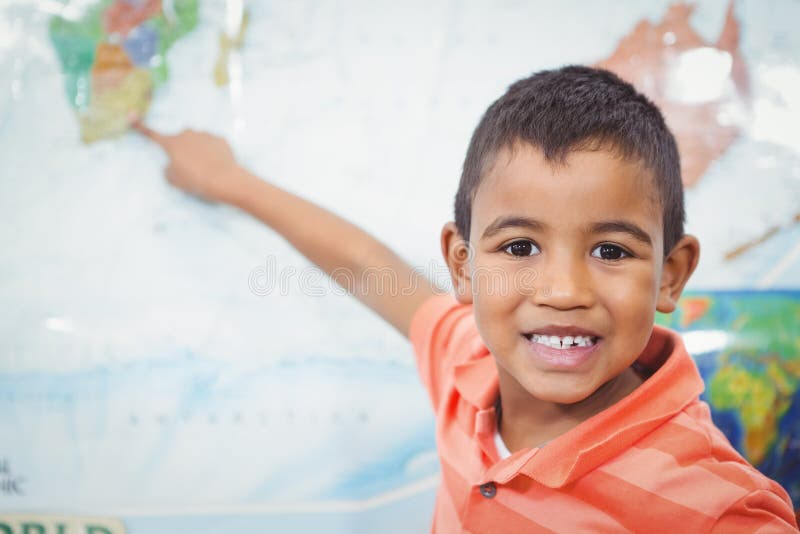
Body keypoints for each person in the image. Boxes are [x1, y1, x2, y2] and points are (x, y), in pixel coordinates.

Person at [134, 66, 798, 532]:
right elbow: (367, 267)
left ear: (670, 275)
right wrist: (226, 180)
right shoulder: (469, 362)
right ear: (461, 264)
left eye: (611, 251)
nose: (563, 291)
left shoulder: (719, 511)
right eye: (518, 248)